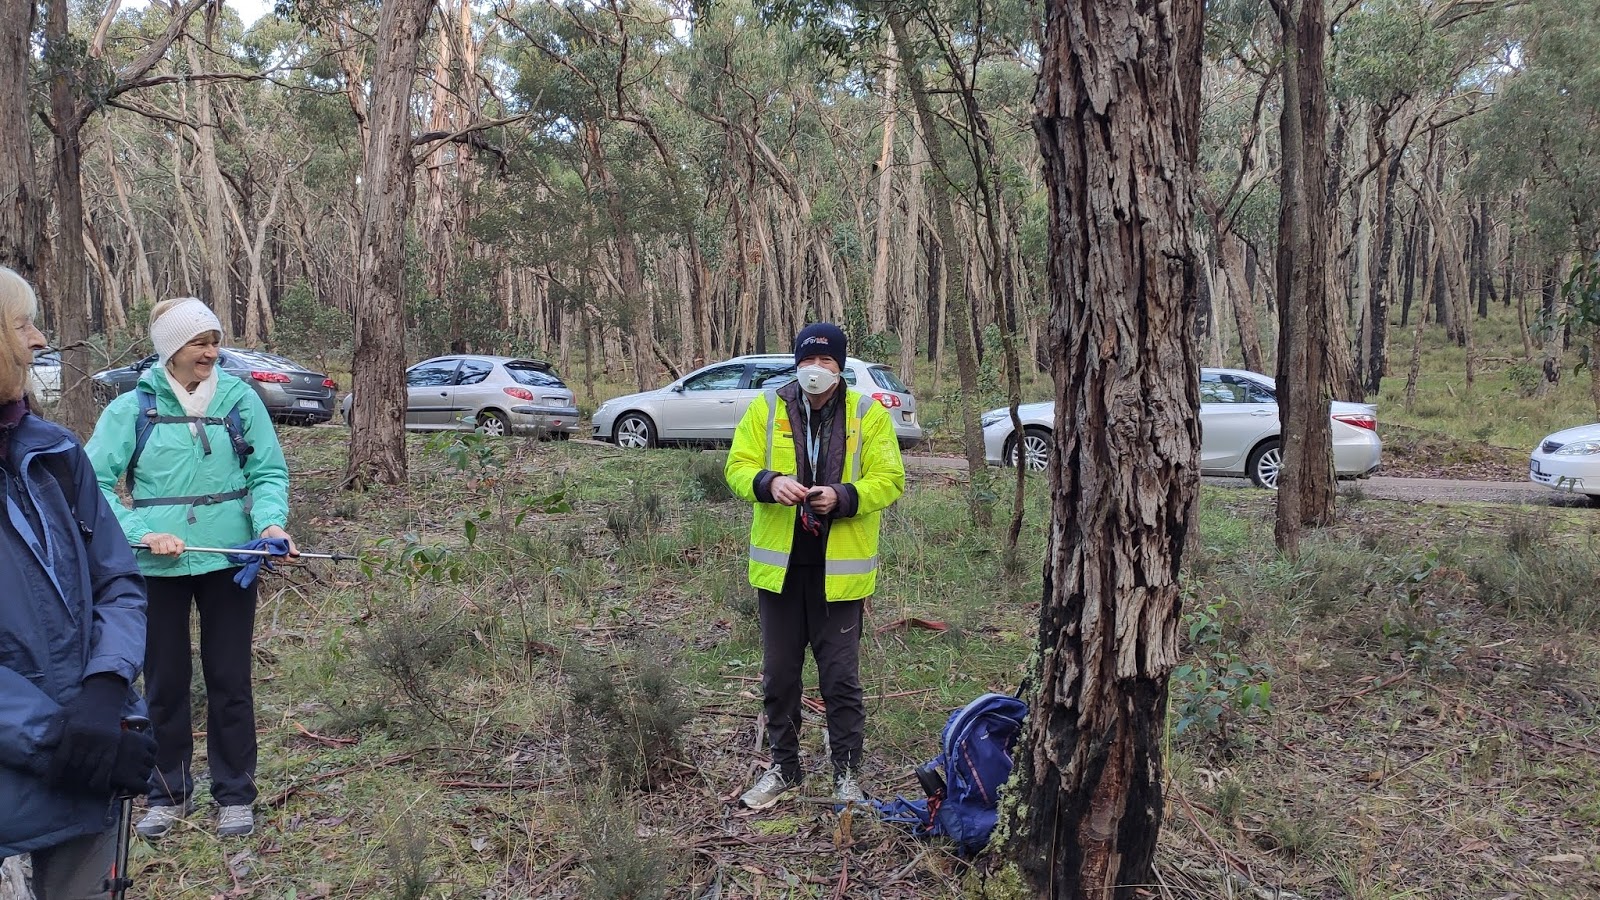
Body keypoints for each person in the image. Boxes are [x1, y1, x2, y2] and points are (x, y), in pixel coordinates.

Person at [85, 298, 296, 840]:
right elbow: (94, 487)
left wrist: (270, 525)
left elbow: (268, 472)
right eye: (198, 342)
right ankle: (167, 792)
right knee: (165, 681)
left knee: (230, 679)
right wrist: (141, 534)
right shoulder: (130, 409)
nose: (210, 351)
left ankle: (234, 795)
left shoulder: (239, 398)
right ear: (170, 350)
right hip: (156, 564)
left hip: (231, 559)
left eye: (214, 339)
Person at [0, 267, 156, 898]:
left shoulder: (54, 454)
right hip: (48, 761)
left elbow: (118, 582)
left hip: (87, 775)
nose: (40, 339)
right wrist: (58, 737)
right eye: (21, 323)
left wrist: (104, 689)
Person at [725, 322, 906, 809]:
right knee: (780, 677)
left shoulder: (867, 414)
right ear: (796, 362)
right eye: (808, 360)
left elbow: (891, 479)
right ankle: (784, 769)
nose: (816, 370)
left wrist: (845, 496)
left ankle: (846, 773)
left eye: (826, 362)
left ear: (840, 366)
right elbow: (736, 467)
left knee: (840, 679)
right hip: (780, 571)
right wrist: (768, 482)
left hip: (840, 575)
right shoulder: (765, 408)